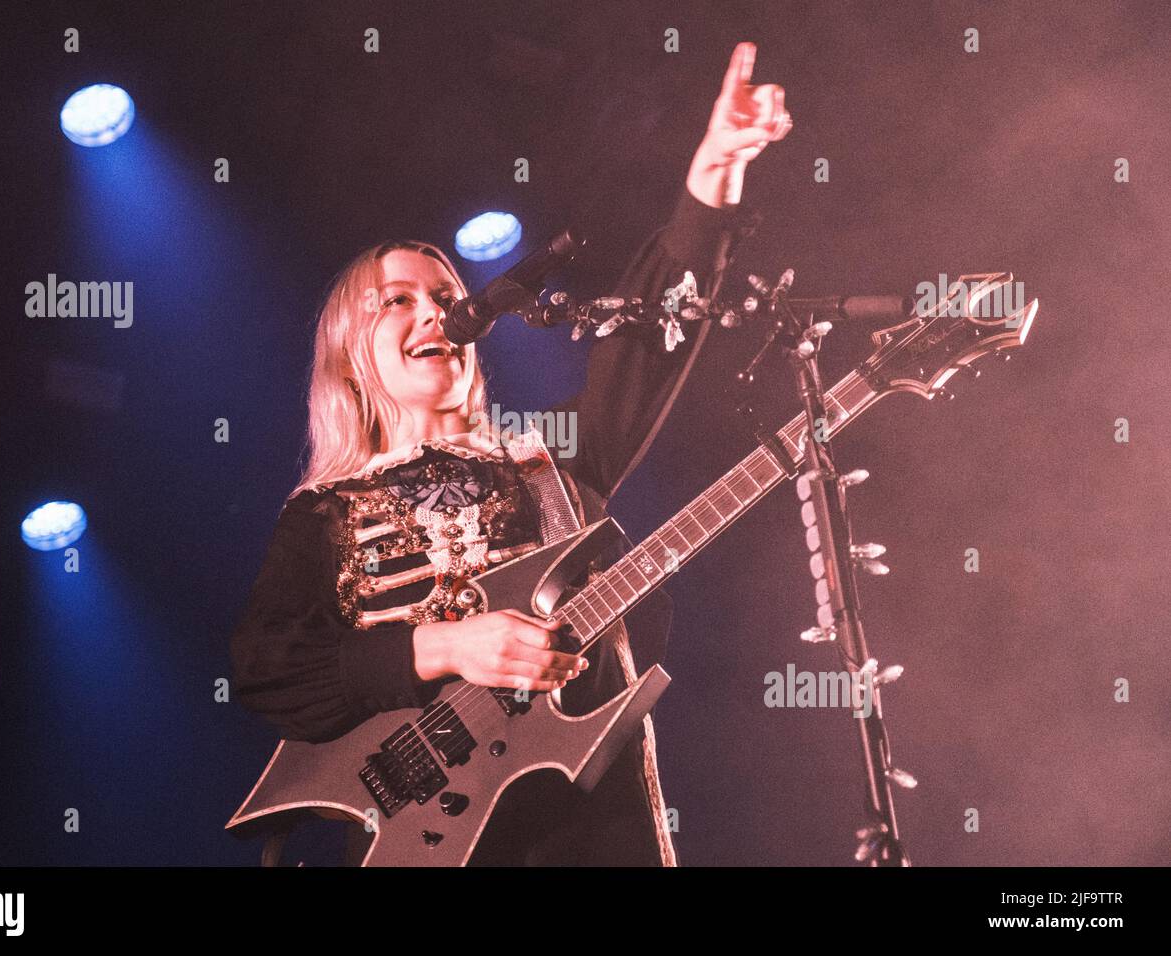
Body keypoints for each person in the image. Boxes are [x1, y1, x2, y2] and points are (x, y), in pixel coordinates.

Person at [231, 41, 791, 866]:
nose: (435, 313)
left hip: (592, 831)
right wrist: (444, 647)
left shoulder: (548, 464)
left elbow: (647, 346)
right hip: (432, 835)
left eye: (448, 298)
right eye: (398, 302)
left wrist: (713, 177)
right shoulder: (324, 512)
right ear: (353, 353)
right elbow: (266, 667)